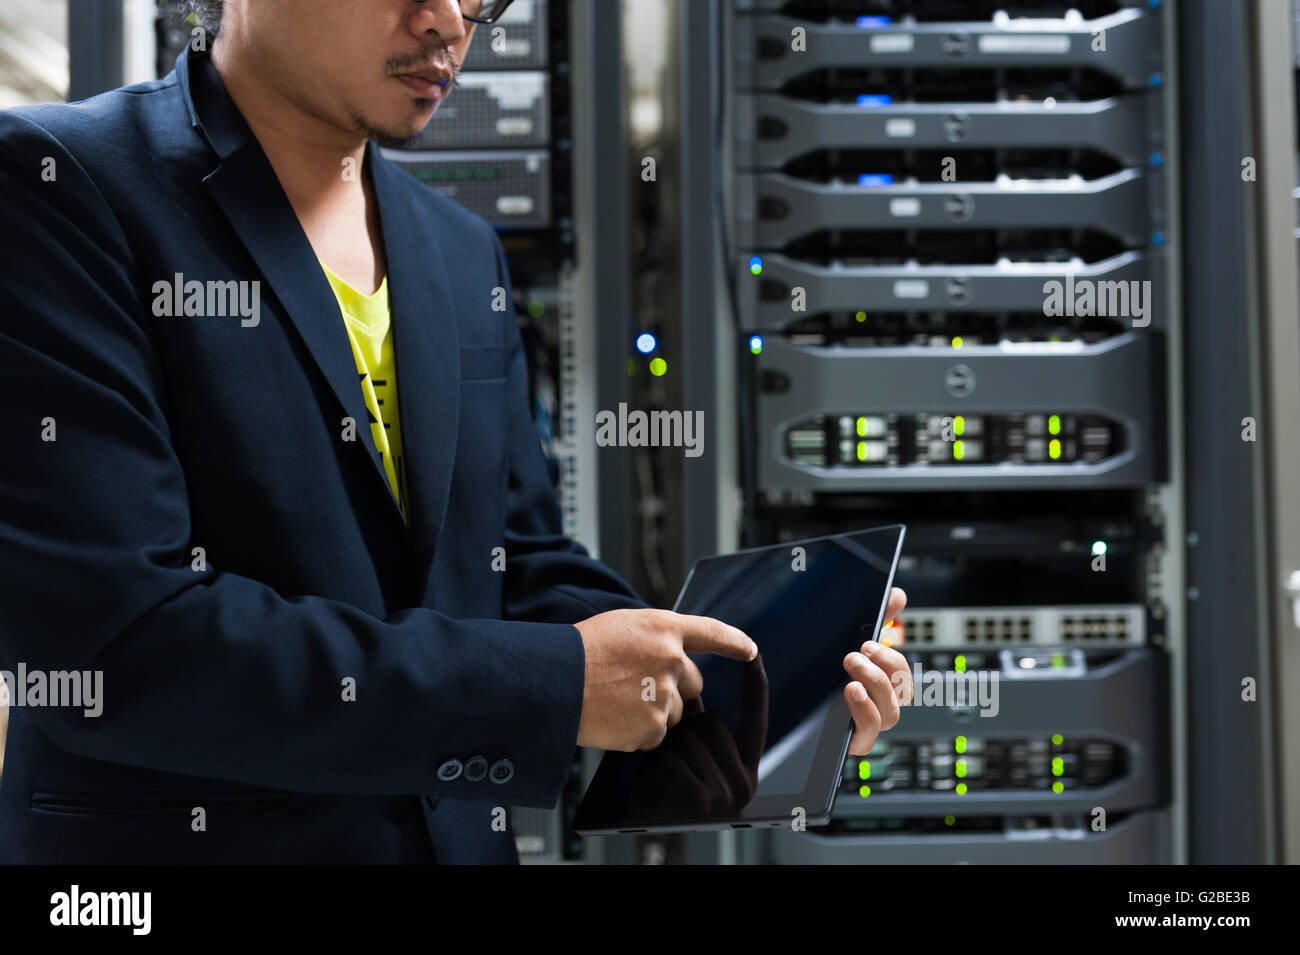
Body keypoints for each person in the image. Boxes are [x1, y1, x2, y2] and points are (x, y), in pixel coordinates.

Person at [0, 0, 911, 864]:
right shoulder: (64, 187)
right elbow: (118, 644)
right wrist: (555, 683)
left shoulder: (455, 246)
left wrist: (770, 697)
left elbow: (517, 568)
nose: (449, 22)